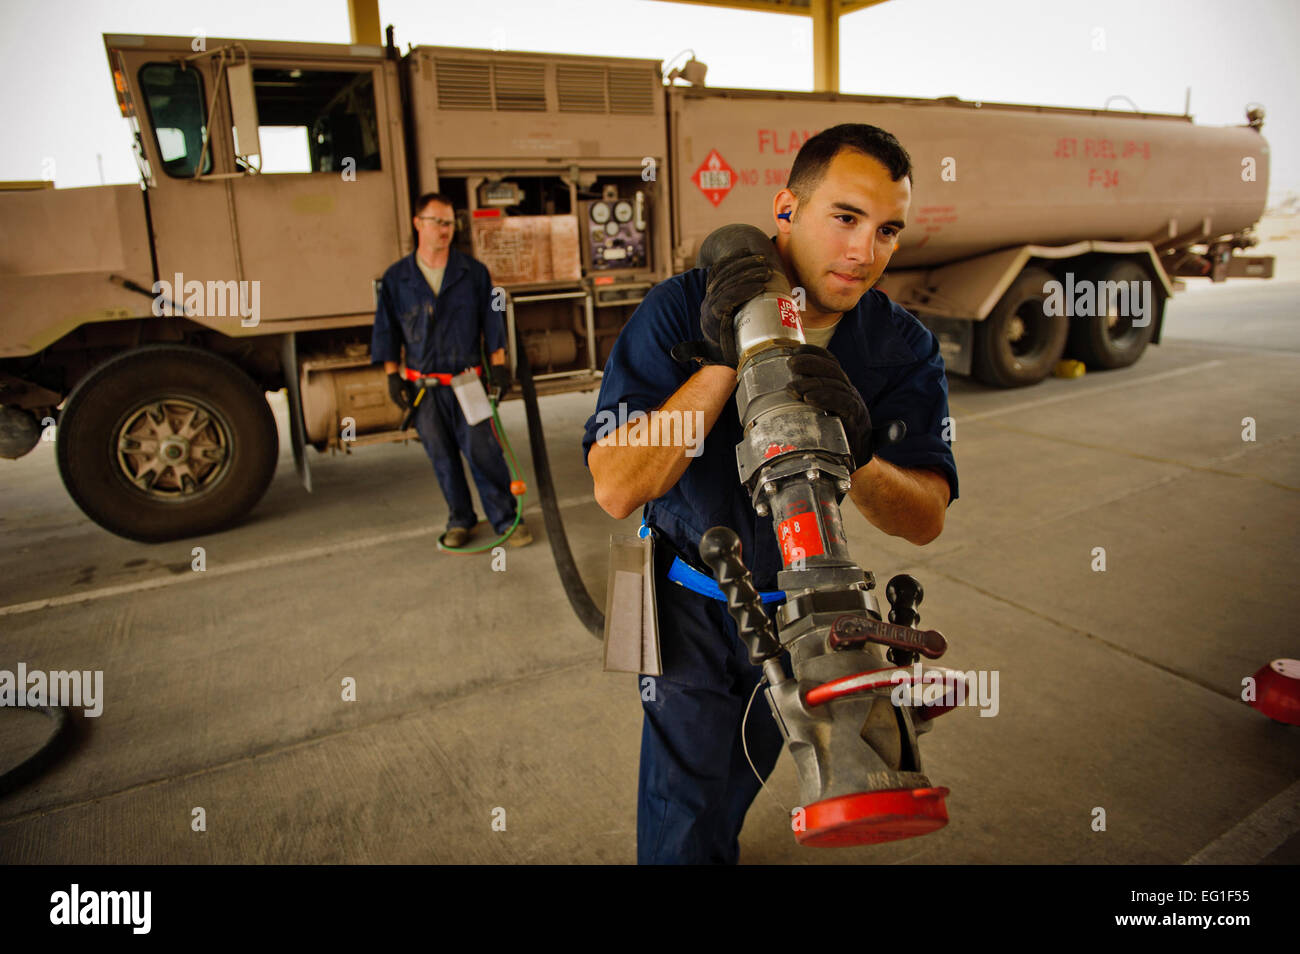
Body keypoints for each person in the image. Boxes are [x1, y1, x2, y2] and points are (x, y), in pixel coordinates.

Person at [583, 124, 958, 864]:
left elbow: (925, 519)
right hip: (688, 601)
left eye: (888, 231)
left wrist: (858, 451)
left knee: (740, 777)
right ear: (786, 207)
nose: (864, 252)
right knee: (680, 810)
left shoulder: (899, 344)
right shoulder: (680, 308)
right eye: (845, 218)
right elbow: (615, 488)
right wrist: (734, 355)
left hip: (805, 614)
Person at [372, 192, 531, 549]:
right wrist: (391, 374)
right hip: (424, 388)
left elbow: (492, 325)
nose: (445, 230)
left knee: (483, 450)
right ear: (418, 224)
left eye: (449, 223)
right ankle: (460, 519)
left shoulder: (472, 273)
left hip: (467, 381)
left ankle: (506, 518)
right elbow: (387, 329)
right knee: (441, 455)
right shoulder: (397, 279)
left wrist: (500, 367)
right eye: (437, 222)